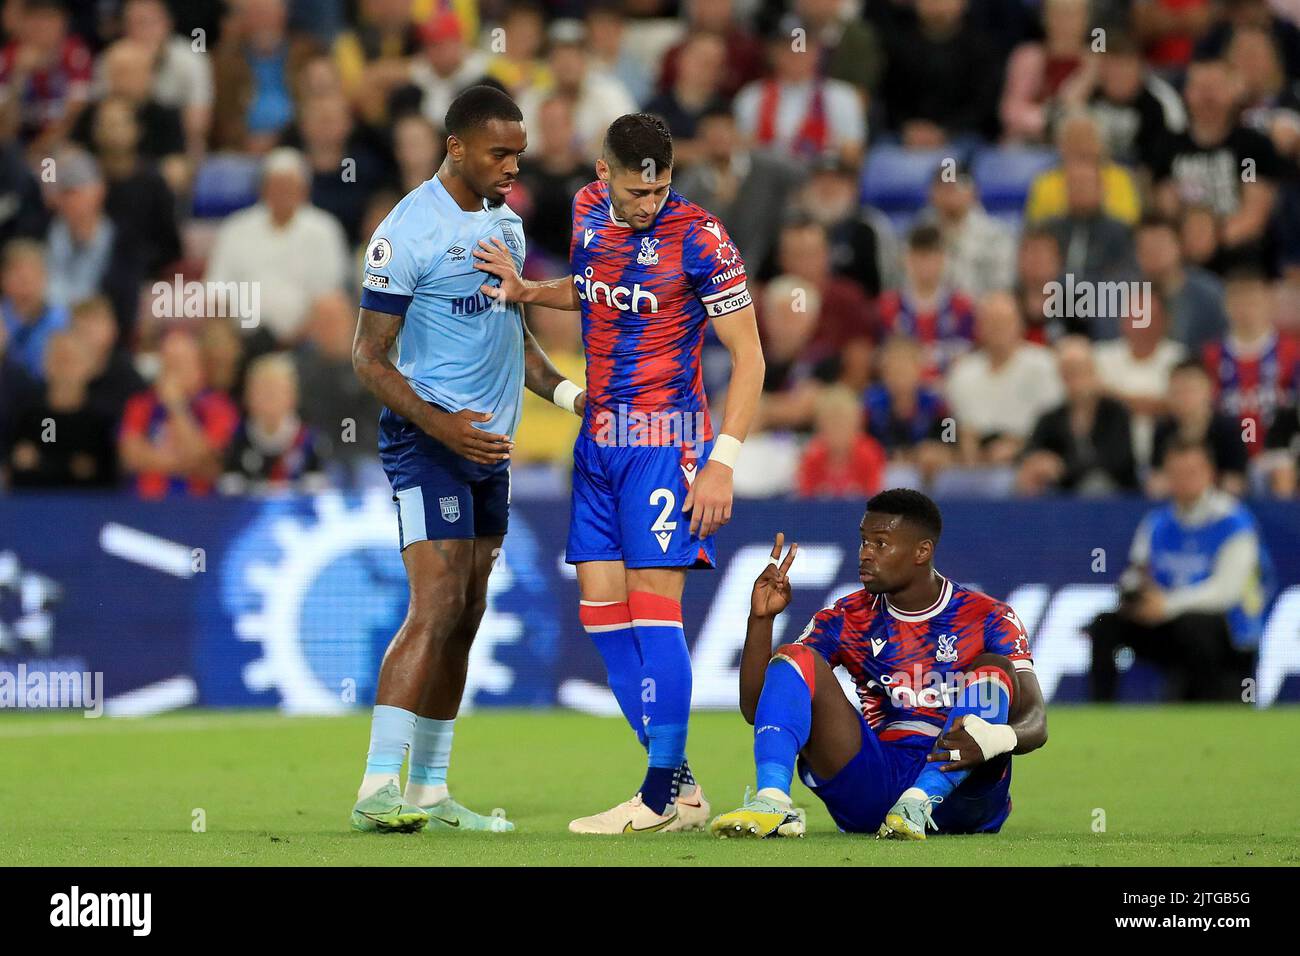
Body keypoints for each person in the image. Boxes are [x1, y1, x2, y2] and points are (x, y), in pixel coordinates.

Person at [474, 113, 765, 835]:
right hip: (598, 441)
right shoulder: (582, 212)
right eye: (636, 192)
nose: (648, 204)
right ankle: (685, 790)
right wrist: (527, 291)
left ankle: (660, 795)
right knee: (602, 616)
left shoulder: (700, 236)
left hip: (665, 443)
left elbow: (752, 357)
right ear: (602, 175)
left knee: (654, 613)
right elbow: (589, 289)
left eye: (660, 189)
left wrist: (721, 464)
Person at [349, 85, 576, 834]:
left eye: (519, 153)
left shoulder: (505, 227)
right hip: (429, 442)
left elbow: (516, 339)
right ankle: (377, 785)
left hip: (489, 449)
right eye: (498, 153)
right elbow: (369, 359)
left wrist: (573, 398)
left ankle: (432, 793)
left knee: (469, 612)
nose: (513, 166)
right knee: (438, 601)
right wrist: (448, 429)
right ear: (455, 148)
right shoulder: (407, 231)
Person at [710, 489, 1047, 839]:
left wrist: (996, 737)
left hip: (962, 794)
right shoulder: (846, 617)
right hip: (876, 786)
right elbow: (757, 709)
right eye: (863, 542)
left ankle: (920, 800)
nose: (865, 554)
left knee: (995, 668)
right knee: (796, 657)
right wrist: (761, 620)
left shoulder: (989, 617)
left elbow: (1036, 722)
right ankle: (772, 802)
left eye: (880, 544)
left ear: (922, 551)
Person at [1086, 439, 1271, 701]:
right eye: (1176, 473)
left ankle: (1203, 702)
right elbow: (1137, 571)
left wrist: (1167, 605)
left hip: (1227, 633)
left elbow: (1226, 592)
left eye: (1191, 473)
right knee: (1106, 625)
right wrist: (1135, 594)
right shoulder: (1157, 523)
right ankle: (1100, 712)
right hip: (1169, 620)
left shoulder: (1233, 522)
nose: (1183, 481)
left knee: (1194, 625)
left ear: (1210, 474)